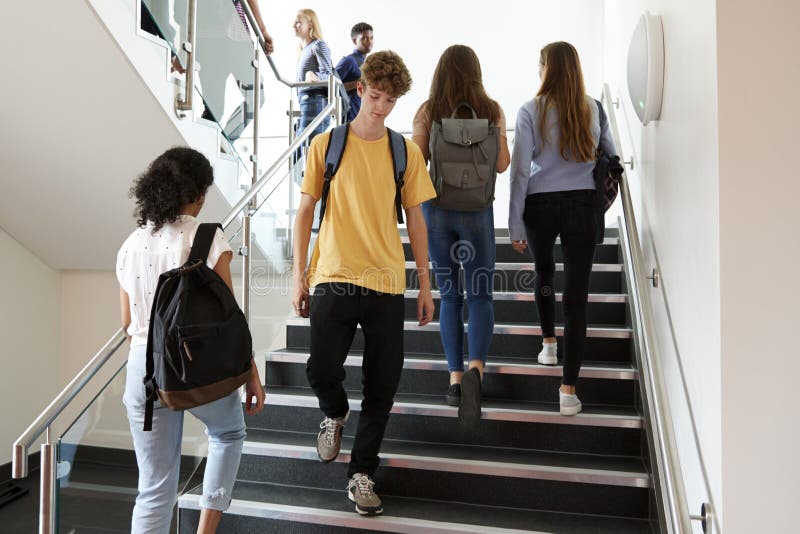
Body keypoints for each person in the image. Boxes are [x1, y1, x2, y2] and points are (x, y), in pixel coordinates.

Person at [292, 51, 436, 516]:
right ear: (359, 91)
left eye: (390, 100)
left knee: (383, 384)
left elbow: (416, 219)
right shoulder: (327, 145)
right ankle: (334, 412)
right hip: (333, 273)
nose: (381, 107)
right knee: (320, 368)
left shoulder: (404, 152)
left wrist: (426, 285)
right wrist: (299, 275)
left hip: (387, 281)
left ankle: (362, 474)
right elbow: (304, 212)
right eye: (375, 96)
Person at [117, 147, 266, 533]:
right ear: (197, 194)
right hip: (198, 364)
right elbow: (229, 318)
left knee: (153, 487)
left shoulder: (130, 243)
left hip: (142, 370)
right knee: (228, 433)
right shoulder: (207, 236)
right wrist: (250, 372)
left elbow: (126, 322)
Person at [508, 41, 617, 416]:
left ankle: (549, 342)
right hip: (582, 205)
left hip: (539, 205)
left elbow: (520, 171)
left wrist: (514, 222)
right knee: (576, 299)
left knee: (543, 272)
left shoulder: (529, 110)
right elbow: (611, 153)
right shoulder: (595, 108)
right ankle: (568, 390)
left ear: (545, 68)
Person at [411, 45, 510, 422]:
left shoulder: (428, 109)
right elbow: (502, 164)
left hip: (437, 213)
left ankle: (454, 379)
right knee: (481, 295)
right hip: (479, 215)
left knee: (450, 296)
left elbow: (417, 161)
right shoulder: (492, 109)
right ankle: (476, 371)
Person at [294, 9, 333, 143]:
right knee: (300, 149)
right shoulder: (303, 50)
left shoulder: (318, 45)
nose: (294, 25)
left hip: (316, 101)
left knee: (304, 148)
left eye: (298, 22)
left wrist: (314, 75)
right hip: (305, 102)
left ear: (310, 24)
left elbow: (329, 75)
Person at [335, 22, 374, 122]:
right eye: (364, 38)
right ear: (354, 41)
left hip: (361, 118)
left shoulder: (367, 63)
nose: (369, 41)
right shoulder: (349, 61)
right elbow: (331, 87)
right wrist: (357, 83)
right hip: (348, 118)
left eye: (371, 38)